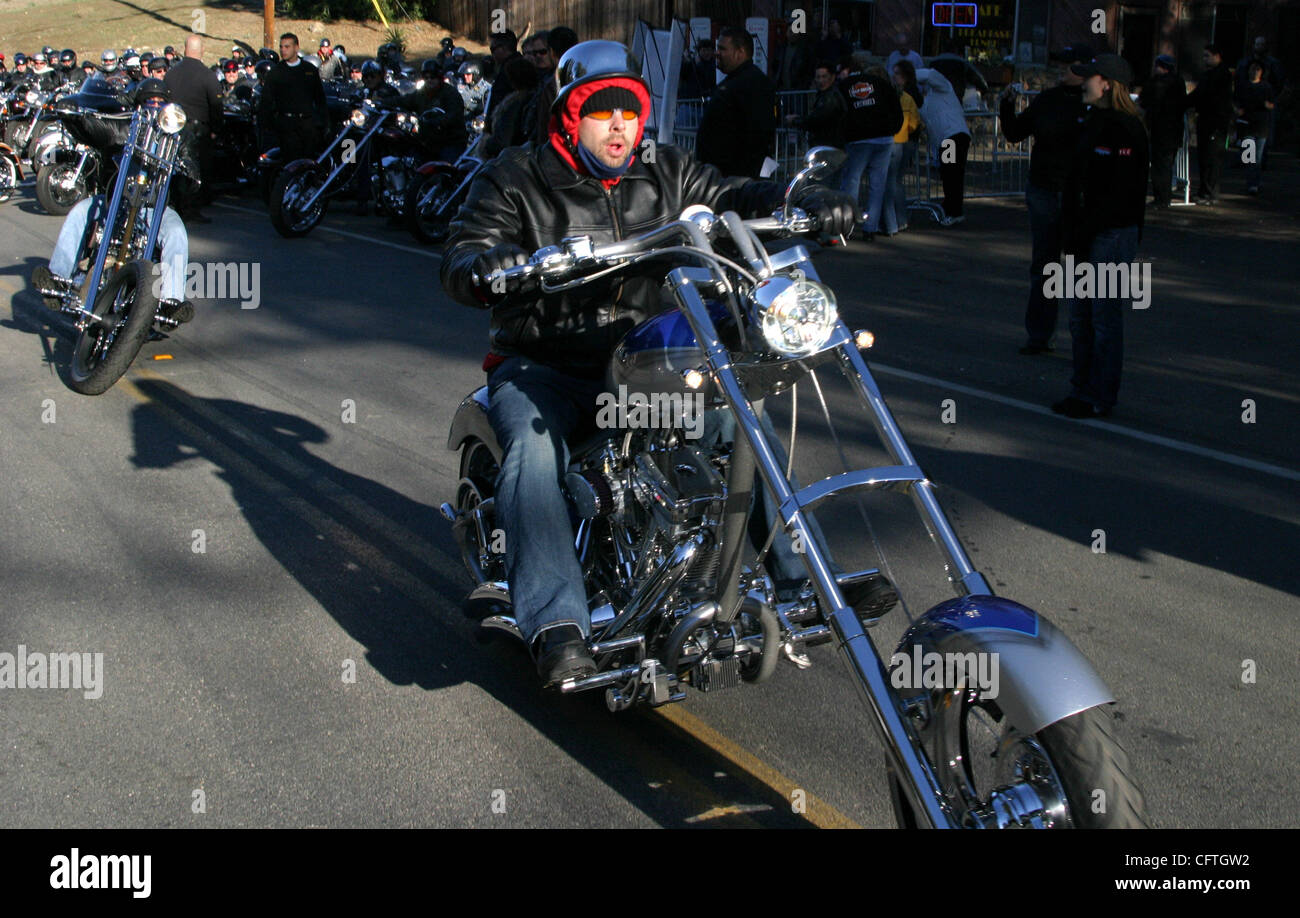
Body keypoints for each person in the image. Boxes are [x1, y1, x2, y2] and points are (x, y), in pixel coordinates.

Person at [439, 40, 858, 686]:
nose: (617, 127)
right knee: (532, 447)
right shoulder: (516, 177)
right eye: (599, 111)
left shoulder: (666, 171)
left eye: (628, 112)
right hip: (547, 364)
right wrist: (485, 266)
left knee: (740, 418)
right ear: (568, 115)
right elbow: (465, 251)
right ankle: (556, 623)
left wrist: (791, 202)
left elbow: (727, 195)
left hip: (638, 361)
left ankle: (805, 584)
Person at [33, 80, 195, 325]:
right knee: (79, 212)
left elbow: (192, 164)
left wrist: (191, 173)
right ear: (139, 104)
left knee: (176, 232)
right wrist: (71, 114)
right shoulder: (125, 125)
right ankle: (58, 279)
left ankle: (170, 302)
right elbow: (96, 127)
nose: (154, 106)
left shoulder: (177, 137)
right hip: (114, 202)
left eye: (159, 102)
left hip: (153, 208)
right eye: (149, 101)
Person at [1054, 54, 1147, 420]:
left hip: (1110, 236)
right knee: (1079, 318)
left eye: (1089, 78)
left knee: (1104, 319)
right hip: (1083, 235)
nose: (1082, 84)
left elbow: (1117, 194)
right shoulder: (1092, 121)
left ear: (1106, 83)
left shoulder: (1126, 128)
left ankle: (1099, 395)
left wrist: (1084, 231)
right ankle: (1081, 389)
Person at [1000, 44, 1088, 354]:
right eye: (1062, 65)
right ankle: (1039, 334)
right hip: (1045, 189)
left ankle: (1084, 339)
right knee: (1045, 265)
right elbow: (1015, 133)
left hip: (1079, 195)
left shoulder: (1096, 106)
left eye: (1072, 65)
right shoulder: (1048, 99)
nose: (1063, 71)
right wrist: (1006, 107)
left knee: (1082, 268)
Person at [696, 27, 777, 178]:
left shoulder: (753, 84)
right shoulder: (734, 82)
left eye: (722, 49)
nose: (716, 53)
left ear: (740, 52)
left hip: (735, 177)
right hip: (721, 174)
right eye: (716, 48)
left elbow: (758, 133)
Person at [837, 59, 902, 239]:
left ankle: (847, 226)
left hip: (858, 139)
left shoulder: (845, 85)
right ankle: (870, 227)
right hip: (883, 138)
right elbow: (896, 109)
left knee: (852, 181)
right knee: (877, 185)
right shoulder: (883, 84)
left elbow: (839, 110)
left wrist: (845, 134)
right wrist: (892, 129)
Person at [163, 35, 221, 222]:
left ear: (185, 48)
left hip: (174, 127)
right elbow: (216, 105)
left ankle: (176, 205)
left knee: (176, 167)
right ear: (201, 50)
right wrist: (216, 129)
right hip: (197, 130)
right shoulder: (207, 75)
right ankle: (191, 209)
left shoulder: (171, 73)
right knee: (196, 170)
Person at [258, 32, 329, 164]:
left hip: (307, 125)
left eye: (287, 46)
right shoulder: (276, 72)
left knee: (307, 162)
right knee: (289, 163)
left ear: (296, 48)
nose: (283, 50)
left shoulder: (309, 70)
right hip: (286, 126)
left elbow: (320, 99)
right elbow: (266, 101)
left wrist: (323, 122)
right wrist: (267, 124)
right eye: (281, 47)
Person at [914, 64, 970, 224]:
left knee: (952, 174)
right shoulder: (926, 102)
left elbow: (930, 74)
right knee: (948, 174)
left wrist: (909, 74)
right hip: (946, 140)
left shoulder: (944, 89)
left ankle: (955, 211)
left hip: (953, 136)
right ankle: (949, 207)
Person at [1183, 43, 1233, 205]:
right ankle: (1205, 191)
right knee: (1204, 157)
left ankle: (1210, 193)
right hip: (1206, 119)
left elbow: (1206, 95)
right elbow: (1199, 94)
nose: (1205, 59)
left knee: (1212, 158)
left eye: (1207, 56)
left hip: (1215, 122)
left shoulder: (1222, 75)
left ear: (1217, 56)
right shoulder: (1210, 74)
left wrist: (1188, 102)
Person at [1138, 54, 1186, 209]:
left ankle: (1161, 198)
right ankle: (1164, 198)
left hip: (1159, 129)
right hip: (1174, 129)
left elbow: (1144, 101)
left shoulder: (1156, 83)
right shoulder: (1179, 82)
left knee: (1159, 166)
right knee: (1166, 165)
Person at [882, 59, 922, 237]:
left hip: (902, 139)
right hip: (906, 138)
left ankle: (895, 221)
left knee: (893, 181)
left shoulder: (903, 95)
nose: (894, 76)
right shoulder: (910, 94)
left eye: (897, 73)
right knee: (896, 181)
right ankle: (899, 219)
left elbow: (914, 122)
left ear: (905, 76)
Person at [406, 59, 466, 160]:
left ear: (439, 77)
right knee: (409, 156)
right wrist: (382, 103)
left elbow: (455, 115)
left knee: (444, 166)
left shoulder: (451, 93)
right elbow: (405, 100)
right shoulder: (421, 93)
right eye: (426, 77)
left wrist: (438, 121)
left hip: (450, 141)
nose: (429, 80)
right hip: (428, 141)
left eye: (433, 77)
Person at [483, 56, 539, 157]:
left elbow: (502, 140)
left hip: (510, 159)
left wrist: (486, 144)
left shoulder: (515, 104)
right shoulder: (535, 96)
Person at [531, 27, 578, 145]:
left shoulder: (552, 85)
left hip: (557, 149)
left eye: (543, 52)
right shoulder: (586, 77)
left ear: (551, 52)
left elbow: (544, 127)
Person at [1235, 61, 1276, 195]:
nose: (1255, 72)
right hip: (1248, 125)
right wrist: (1238, 111)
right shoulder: (1244, 86)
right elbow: (1236, 102)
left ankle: (1253, 183)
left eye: (1257, 69)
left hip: (1261, 126)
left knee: (1256, 157)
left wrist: (1267, 105)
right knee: (1250, 156)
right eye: (1253, 69)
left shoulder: (1266, 87)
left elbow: (1272, 105)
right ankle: (1251, 182)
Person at [787, 62, 846, 149]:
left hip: (829, 145)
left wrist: (795, 120)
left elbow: (817, 119)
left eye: (824, 76)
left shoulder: (830, 97)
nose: (821, 81)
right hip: (825, 144)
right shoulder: (825, 95)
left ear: (832, 77)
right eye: (818, 77)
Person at [483, 29, 522, 120]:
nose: (492, 54)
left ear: (504, 48)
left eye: (493, 49)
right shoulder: (505, 67)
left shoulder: (514, 68)